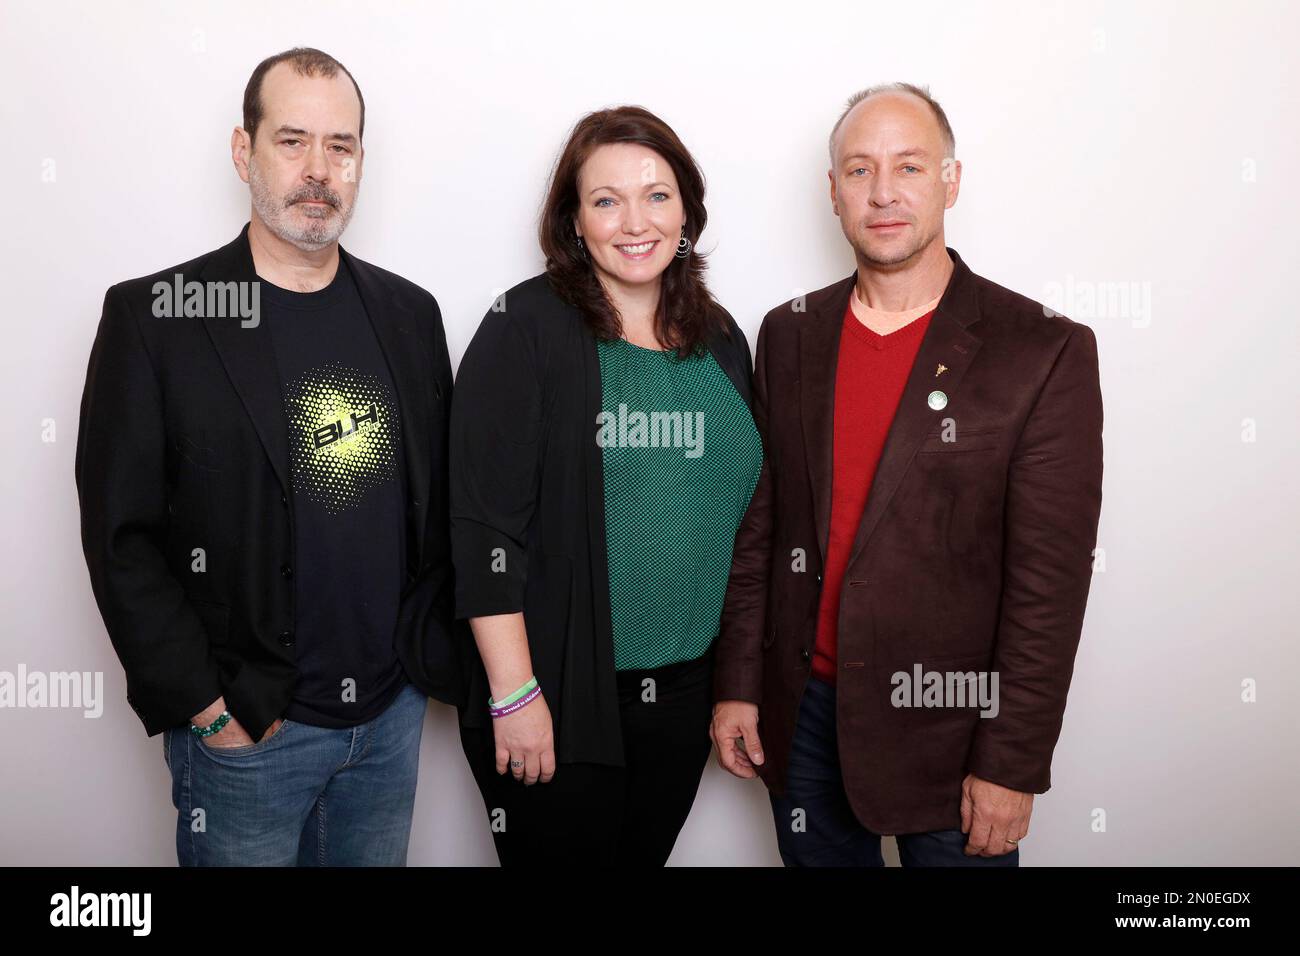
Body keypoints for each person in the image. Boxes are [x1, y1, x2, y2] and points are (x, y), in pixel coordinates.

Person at [75, 47, 463, 866]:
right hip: (250, 735)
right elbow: (122, 538)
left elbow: (439, 509)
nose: (319, 170)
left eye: (341, 146)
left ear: (362, 160)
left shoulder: (410, 315)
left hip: (389, 726)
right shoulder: (156, 319)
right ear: (244, 152)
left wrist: (420, 667)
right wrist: (208, 709)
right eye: (292, 142)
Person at [710, 83, 1104, 866]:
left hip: (952, 734)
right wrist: (740, 682)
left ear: (951, 181)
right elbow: (762, 524)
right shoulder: (787, 335)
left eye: (910, 167)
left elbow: (1047, 586)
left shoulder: (1042, 349)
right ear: (831, 193)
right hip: (804, 720)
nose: (883, 192)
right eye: (858, 171)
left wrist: (1011, 762)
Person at [450, 106, 762, 866]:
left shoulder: (721, 338)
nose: (635, 221)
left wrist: (734, 684)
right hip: (557, 693)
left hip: (684, 697)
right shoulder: (522, 328)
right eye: (606, 199)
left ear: (686, 210)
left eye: (657, 195)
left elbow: (744, 516)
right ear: (574, 221)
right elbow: (481, 528)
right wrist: (515, 696)